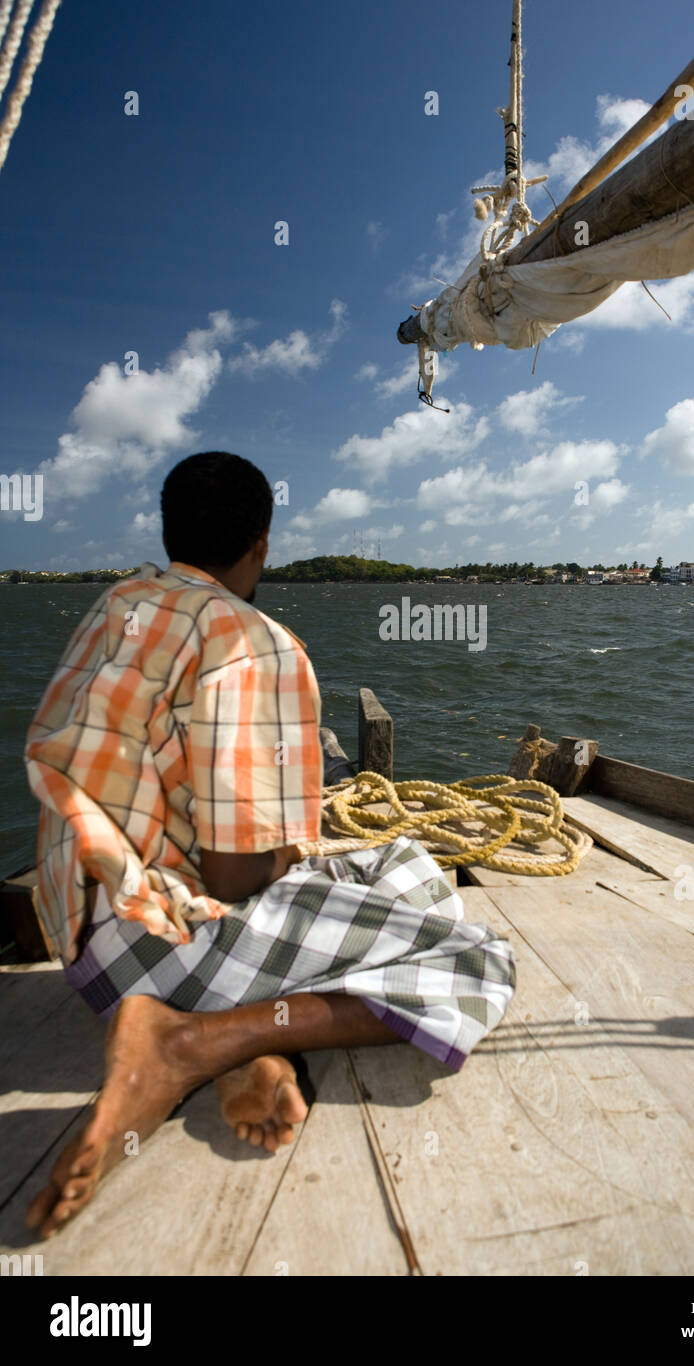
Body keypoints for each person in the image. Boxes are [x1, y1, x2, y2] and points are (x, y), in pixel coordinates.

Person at [23, 451, 516, 1239]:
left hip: (81, 940)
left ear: (168, 529)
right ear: (262, 543)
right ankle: (196, 1042)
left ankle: (246, 1047)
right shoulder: (255, 640)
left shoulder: (116, 605)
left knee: (403, 863)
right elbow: (238, 875)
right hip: (163, 942)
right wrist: (291, 856)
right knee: (480, 959)